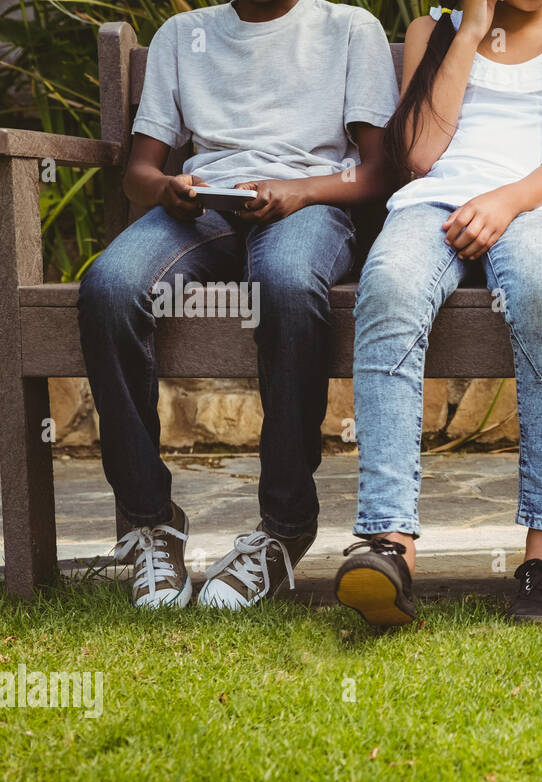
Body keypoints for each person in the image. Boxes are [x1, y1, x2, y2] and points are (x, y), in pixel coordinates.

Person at [77, 0, 397, 609]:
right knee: (110, 286)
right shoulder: (182, 35)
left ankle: (283, 528)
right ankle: (151, 523)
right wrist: (169, 188)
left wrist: (297, 191)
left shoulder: (349, 28)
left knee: (285, 283)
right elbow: (138, 172)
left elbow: (379, 172)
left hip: (309, 207)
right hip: (202, 214)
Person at [333, 1, 542, 627]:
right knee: (390, 288)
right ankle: (390, 547)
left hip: (537, 205)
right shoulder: (433, 33)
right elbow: (421, 155)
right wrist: (474, 30)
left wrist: (505, 201)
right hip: (432, 202)